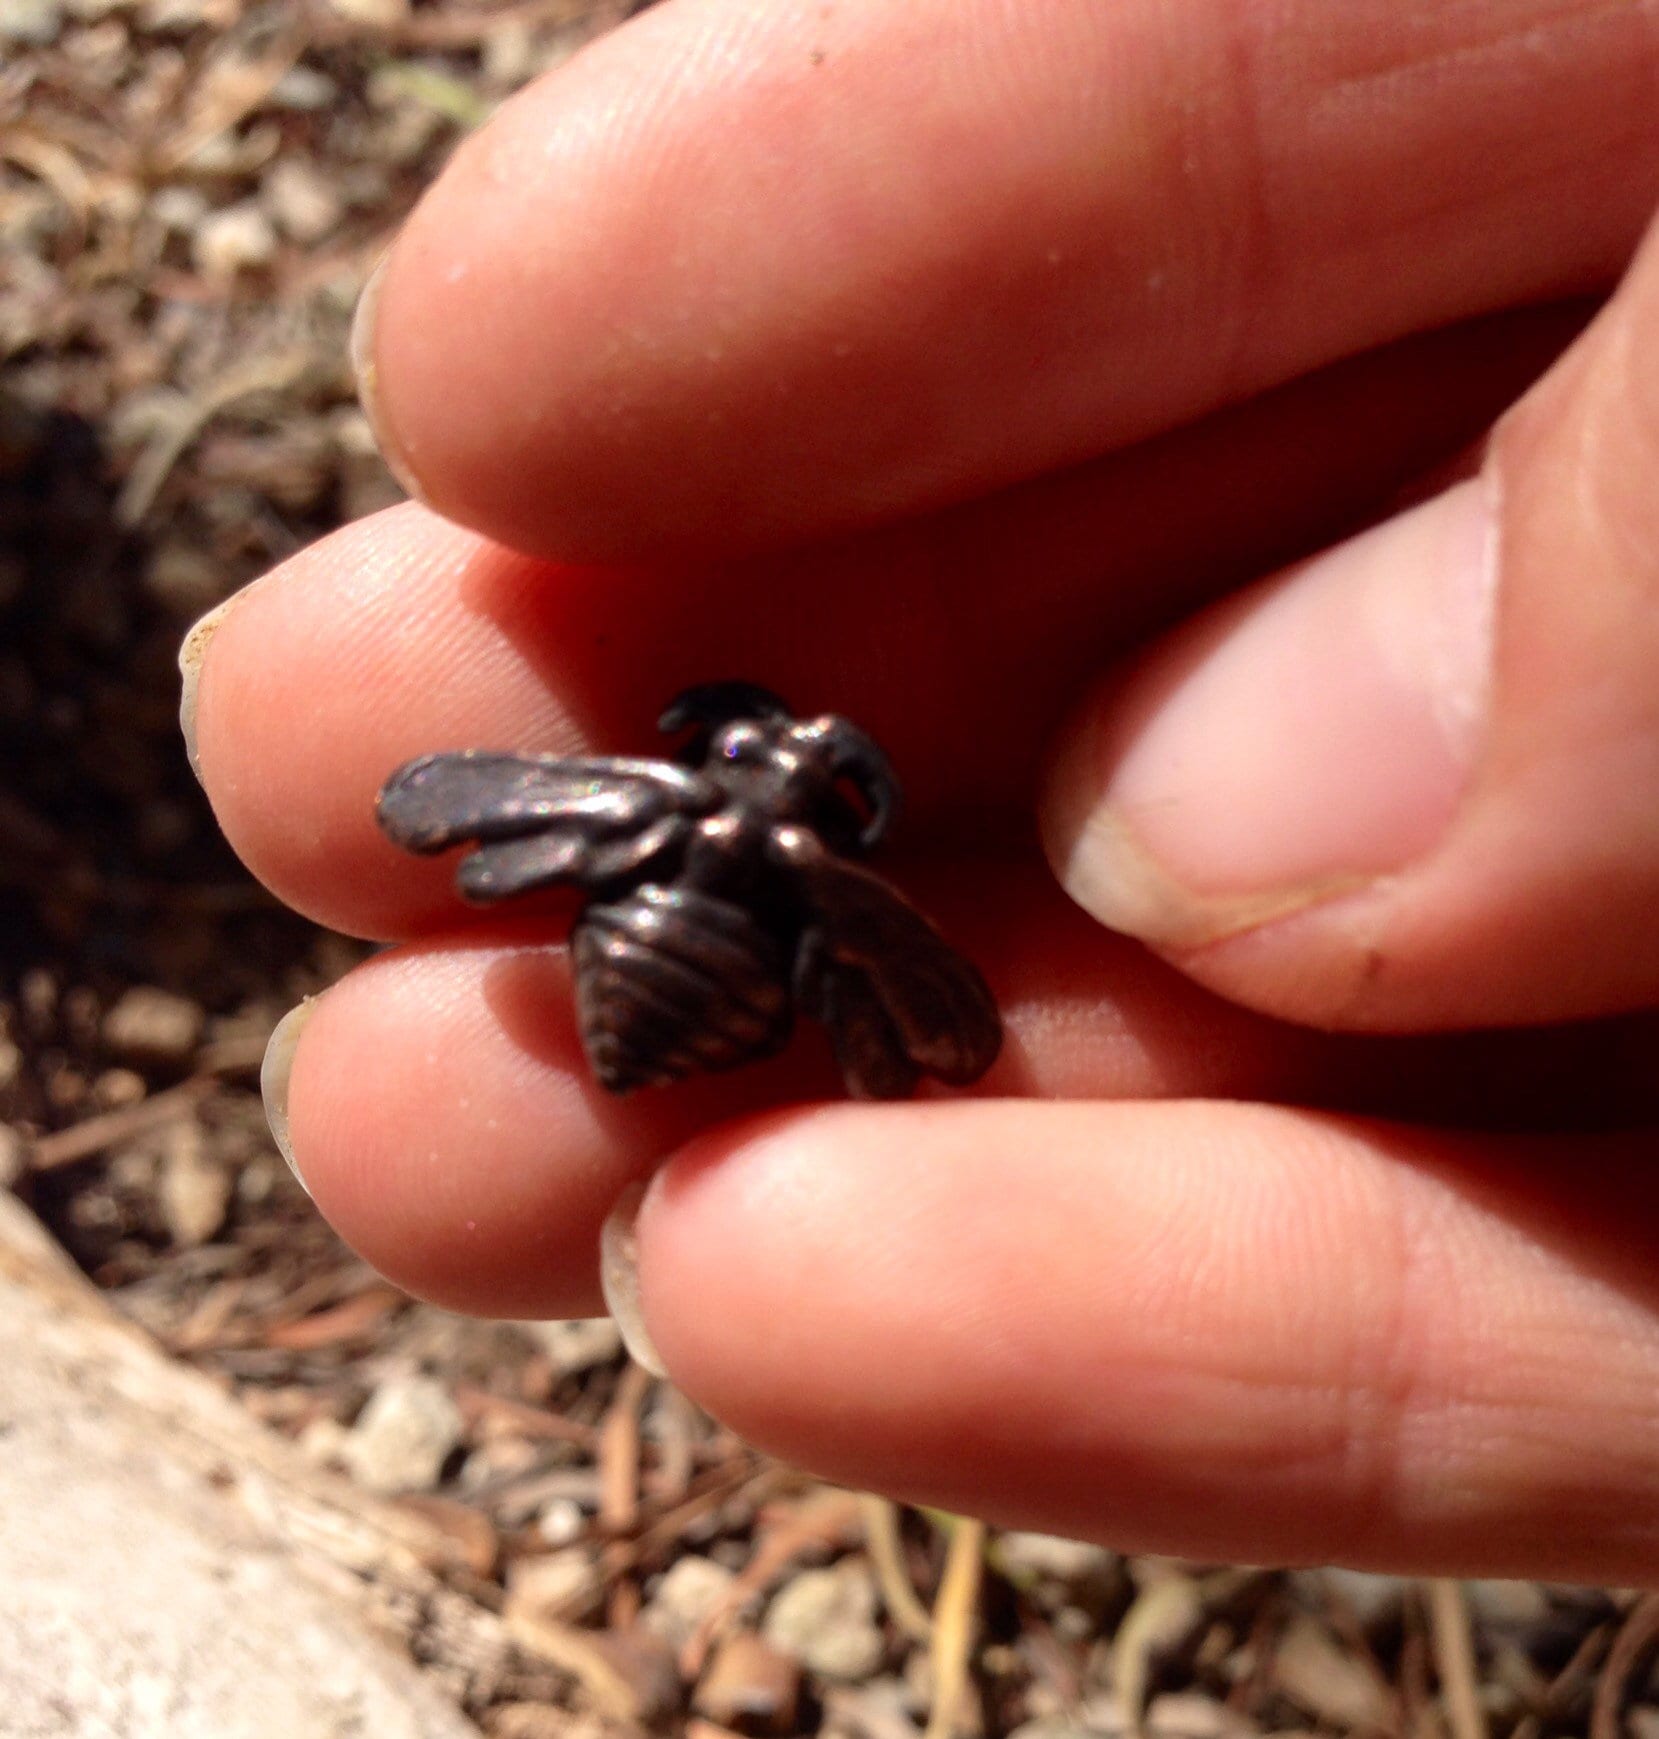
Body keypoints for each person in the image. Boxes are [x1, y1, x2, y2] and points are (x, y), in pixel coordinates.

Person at [178, 0, 1659, 1581]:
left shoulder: (667, 814)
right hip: (680, 968)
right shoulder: (808, 877)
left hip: (666, 952)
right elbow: (474, 827)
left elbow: (460, 823)